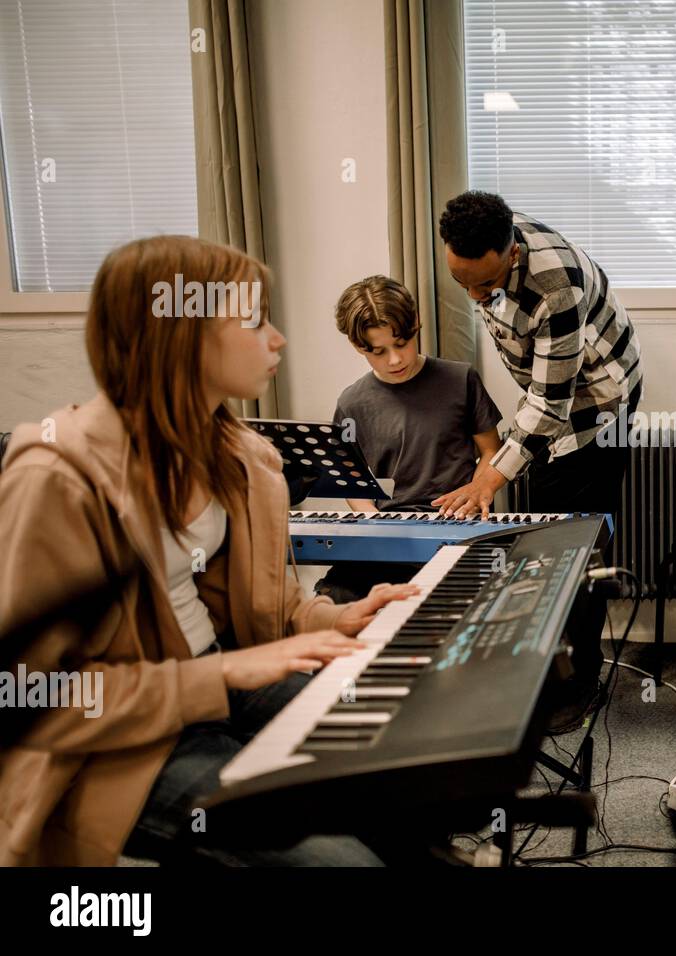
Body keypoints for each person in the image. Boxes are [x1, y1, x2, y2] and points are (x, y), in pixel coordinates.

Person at [0, 236, 417, 865]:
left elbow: (267, 609)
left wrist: (333, 618)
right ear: (179, 337)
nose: (276, 339)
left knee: (411, 767)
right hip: (121, 743)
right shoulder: (56, 476)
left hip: (225, 681)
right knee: (338, 861)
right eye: (253, 322)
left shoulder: (239, 457)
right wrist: (218, 674)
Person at [435, 191, 646, 731]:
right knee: (544, 536)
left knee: (575, 543)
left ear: (511, 253)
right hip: (550, 394)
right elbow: (541, 394)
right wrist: (512, 459)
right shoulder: (483, 230)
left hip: (599, 402)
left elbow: (554, 404)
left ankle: (581, 680)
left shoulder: (555, 286)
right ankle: (544, 663)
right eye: (462, 283)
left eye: (484, 285)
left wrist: (491, 474)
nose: (476, 298)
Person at [315, 275, 502, 604]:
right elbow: (350, 480)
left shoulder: (460, 379)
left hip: (455, 528)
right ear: (357, 346)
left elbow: (491, 450)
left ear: (416, 325)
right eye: (377, 351)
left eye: (401, 344)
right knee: (331, 598)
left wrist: (474, 495)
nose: (394, 360)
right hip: (391, 534)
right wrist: (372, 520)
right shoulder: (352, 402)